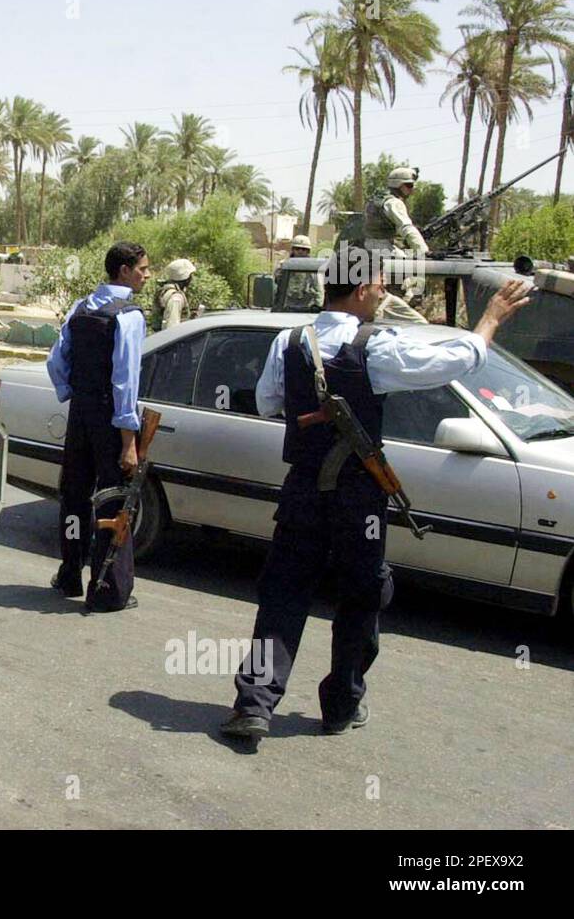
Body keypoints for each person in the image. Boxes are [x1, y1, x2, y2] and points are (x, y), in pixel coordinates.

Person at [219, 241, 531, 741]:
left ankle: (254, 705)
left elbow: (265, 403)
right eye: (381, 282)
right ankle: (341, 704)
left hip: (301, 489)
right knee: (362, 596)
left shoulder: (288, 341)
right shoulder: (377, 346)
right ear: (362, 287)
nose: (385, 290)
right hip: (357, 496)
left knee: (283, 595)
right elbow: (459, 358)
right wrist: (491, 318)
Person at [46, 242, 149, 612]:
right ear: (124, 271)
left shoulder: (81, 306)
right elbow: (125, 381)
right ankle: (106, 589)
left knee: (74, 496)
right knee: (113, 502)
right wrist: (128, 442)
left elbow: (56, 362)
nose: (146, 275)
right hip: (110, 420)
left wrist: (74, 394)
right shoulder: (130, 316)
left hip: (80, 414)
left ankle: (70, 572)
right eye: (142, 269)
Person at [366, 166, 430, 322]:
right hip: (382, 250)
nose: (411, 190)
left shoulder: (377, 199)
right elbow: (406, 227)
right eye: (409, 186)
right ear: (399, 185)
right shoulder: (394, 203)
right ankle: (410, 300)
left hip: (369, 247)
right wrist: (423, 250)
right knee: (415, 268)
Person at [153, 258, 196, 331]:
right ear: (186, 278)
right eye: (190, 275)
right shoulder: (176, 298)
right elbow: (172, 328)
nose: (191, 278)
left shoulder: (167, 291)